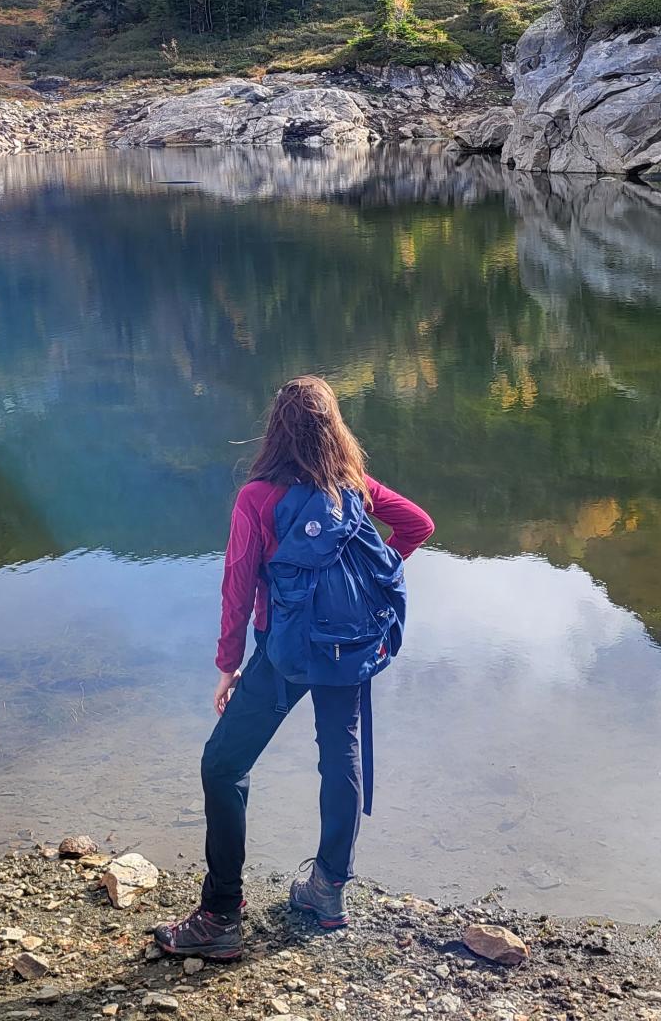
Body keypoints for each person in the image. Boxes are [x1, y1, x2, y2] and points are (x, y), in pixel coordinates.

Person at [154, 376, 434, 961]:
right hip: (351, 648)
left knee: (223, 765)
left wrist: (228, 665)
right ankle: (328, 891)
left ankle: (221, 914)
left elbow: (236, 588)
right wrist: (379, 571)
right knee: (342, 757)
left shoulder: (258, 498)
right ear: (335, 428)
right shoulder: (354, 487)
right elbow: (417, 526)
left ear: (275, 430)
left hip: (285, 652)